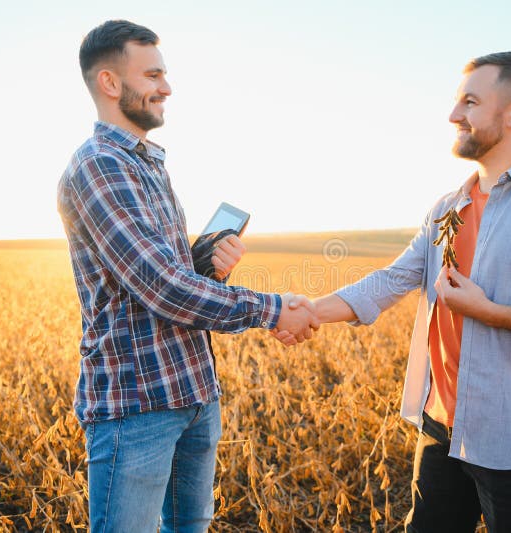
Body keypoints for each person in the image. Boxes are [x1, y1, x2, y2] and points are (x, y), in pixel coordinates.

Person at [276, 52, 511, 532]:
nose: (453, 116)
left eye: (469, 102)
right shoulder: (448, 207)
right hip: (441, 425)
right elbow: (392, 279)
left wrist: (496, 312)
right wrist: (304, 310)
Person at [57, 20, 317, 533]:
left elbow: (167, 276)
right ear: (110, 83)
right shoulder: (99, 167)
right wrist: (274, 310)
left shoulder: (148, 164)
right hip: (138, 407)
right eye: (152, 74)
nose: (166, 87)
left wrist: (206, 264)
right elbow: (162, 288)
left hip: (193, 391)